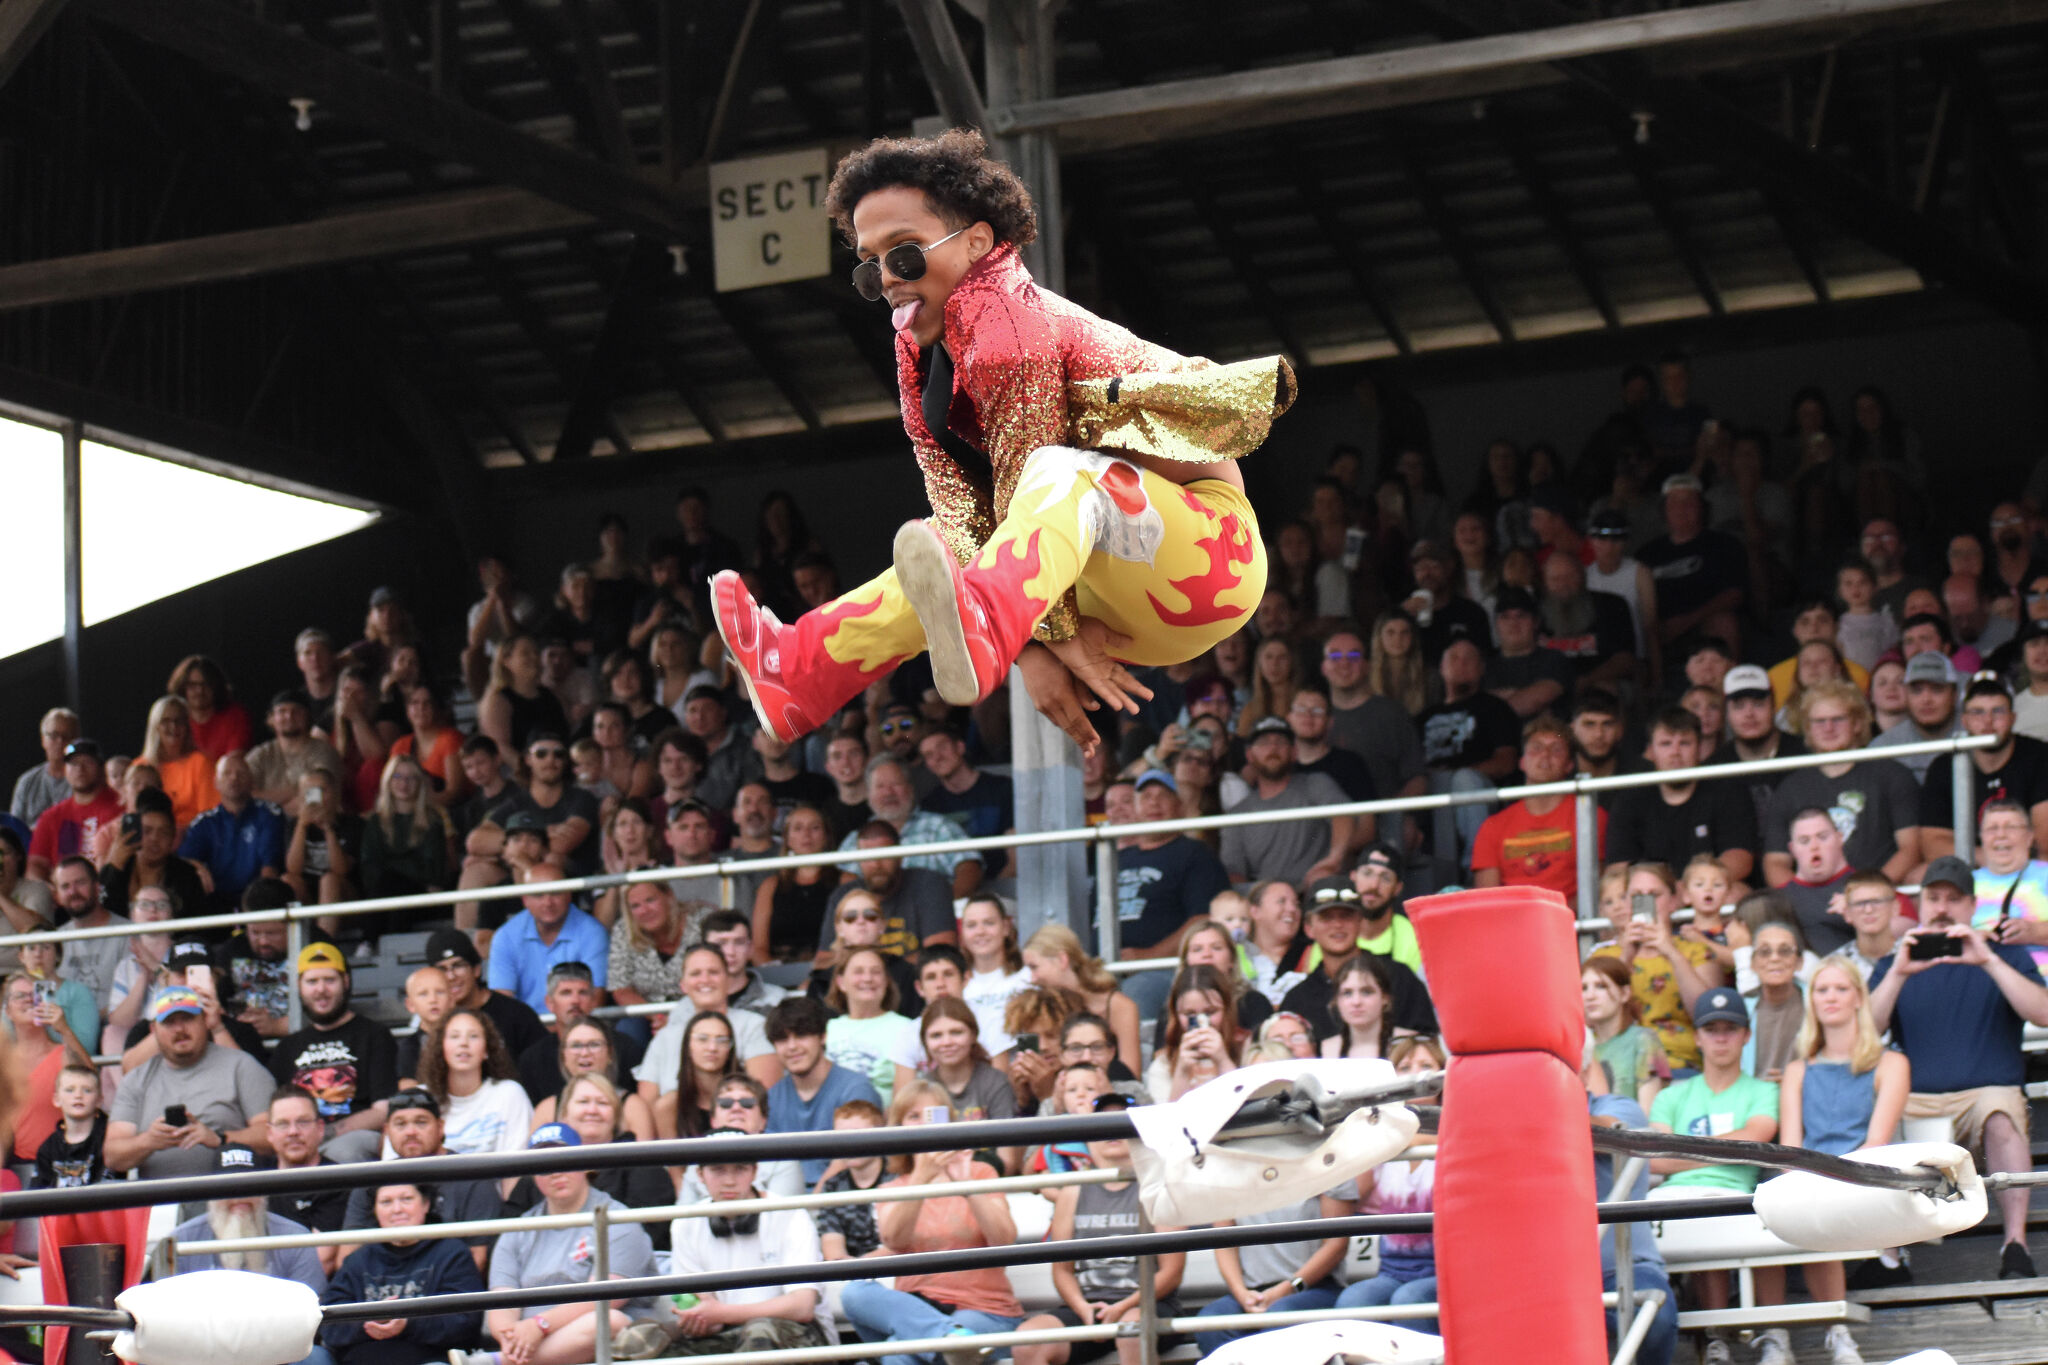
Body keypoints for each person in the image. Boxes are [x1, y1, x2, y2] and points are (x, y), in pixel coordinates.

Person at [714, 133, 1288, 760]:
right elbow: (962, 508)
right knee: (939, 546)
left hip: (1211, 566)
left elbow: (1027, 480)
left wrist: (1032, 640)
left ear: (978, 242)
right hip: (1104, 590)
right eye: (869, 266)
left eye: (904, 255)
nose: (888, 279)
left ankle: (987, 619)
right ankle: (798, 671)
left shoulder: (1009, 325)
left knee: (1057, 472)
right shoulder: (917, 347)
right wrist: (1036, 648)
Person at [1871, 855, 2048, 1279]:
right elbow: (1865, 1033)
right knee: (1878, 1118)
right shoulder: (1895, 964)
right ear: (1921, 904)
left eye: (1954, 899)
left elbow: (2043, 1014)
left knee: (2001, 1112)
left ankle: (2015, 1246)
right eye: (1933, 898)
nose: (1943, 908)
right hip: (1914, 1104)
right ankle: (1889, 1259)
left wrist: (1987, 959)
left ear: (1971, 907)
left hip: (1983, 1100)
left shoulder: (2004, 956)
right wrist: (1897, 972)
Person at [1777, 958, 1910, 1364]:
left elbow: (1877, 1142)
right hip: (1808, 1174)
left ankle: (1837, 1334)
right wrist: (1803, 1178)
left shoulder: (1891, 1063)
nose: (1830, 998)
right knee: (1779, 1197)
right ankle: (1775, 1334)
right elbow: (1789, 1149)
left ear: (1858, 998)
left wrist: (1822, 1177)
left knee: (1819, 1200)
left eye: (1839, 989)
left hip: (1862, 1175)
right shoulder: (1798, 1070)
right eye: (1821, 990)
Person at [839, 1083, 1025, 1364]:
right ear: (900, 1128)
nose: (924, 1123)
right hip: (921, 1309)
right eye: (913, 1116)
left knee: (898, 1357)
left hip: (983, 1311)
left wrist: (965, 1185)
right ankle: (948, 1339)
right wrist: (920, 1178)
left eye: (932, 1114)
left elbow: (1004, 1240)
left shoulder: (980, 1172)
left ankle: (947, 1342)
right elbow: (895, 1239)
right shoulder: (894, 1187)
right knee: (855, 1293)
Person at [468, 1124, 665, 1365]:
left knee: (607, 1320)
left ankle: (500, 1363)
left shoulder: (618, 1220)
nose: (555, 1173)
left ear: (583, 1162)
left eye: (564, 1160)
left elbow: (605, 1298)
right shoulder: (517, 1230)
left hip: (595, 1346)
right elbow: (501, 1302)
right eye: (543, 1166)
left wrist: (539, 1326)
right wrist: (514, 1337)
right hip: (531, 1343)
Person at [1012, 1100, 1188, 1365]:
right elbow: (1062, 1270)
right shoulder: (1073, 1190)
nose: (1113, 1133)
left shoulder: (1157, 1186)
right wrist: (1083, 1308)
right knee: (1028, 1342)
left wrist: (1122, 1307)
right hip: (1086, 1307)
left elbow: (1171, 1271)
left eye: (1121, 1123)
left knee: (1132, 1332)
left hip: (1146, 1305)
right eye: (1104, 1123)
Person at [1648, 986, 1780, 1326]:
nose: (1721, 1039)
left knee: (1726, 1212)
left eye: (1730, 1029)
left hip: (1736, 1197)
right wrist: (1727, 1150)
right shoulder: (1671, 1096)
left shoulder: (1765, 1090)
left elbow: (1755, 1139)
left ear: (1746, 1035)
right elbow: (1655, 1159)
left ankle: (1745, 1333)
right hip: (1674, 1198)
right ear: (1697, 1037)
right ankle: (1714, 1334)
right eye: (1711, 1029)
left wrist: (1686, 1150)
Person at [659, 1133, 832, 1357]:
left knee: (759, 1332)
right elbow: (705, 1308)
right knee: (645, 1337)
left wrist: (720, 1314)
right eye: (718, 1170)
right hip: (728, 1336)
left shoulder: (790, 1213)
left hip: (797, 1337)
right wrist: (699, 1320)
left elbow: (802, 1306)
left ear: (754, 1171)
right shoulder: (685, 1224)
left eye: (739, 1169)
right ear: (700, 1175)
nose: (729, 1181)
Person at [105, 984, 276, 1178]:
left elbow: (274, 1136)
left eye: (187, 1018)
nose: (179, 1029)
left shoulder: (241, 1065)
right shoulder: (136, 1080)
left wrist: (220, 1138)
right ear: (153, 1030)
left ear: (204, 1020)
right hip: (159, 1201)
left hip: (228, 1195)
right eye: (169, 1022)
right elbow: (112, 1156)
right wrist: (149, 1141)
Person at [1761, 681, 1921, 887]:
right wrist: (1804, 899)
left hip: (1879, 897)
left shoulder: (1892, 775)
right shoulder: (1790, 788)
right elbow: (1775, 862)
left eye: (1838, 719)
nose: (1828, 728)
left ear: (1856, 723)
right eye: (1819, 721)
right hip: (1811, 906)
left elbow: (1910, 849)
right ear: (1807, 728)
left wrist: (1868, 892)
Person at [318, 1181, 486, 1365]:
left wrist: (408, 1324)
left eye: (406, 1199)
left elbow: (465, 1323)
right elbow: (329, 1325)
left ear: (426, 1204)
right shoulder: (358, 1260)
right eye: (386, 1202)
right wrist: (371, 1321)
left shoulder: (452, 1254)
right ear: (375, 1210)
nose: (396, 1209)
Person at [1112, 770, 1230, 1022]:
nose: (1154, 803)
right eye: (1146, 797)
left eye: (1163, 796)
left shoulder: (1194, 854)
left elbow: (1202, 919)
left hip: (1161, 969)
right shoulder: (1115, 858)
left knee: (1135, 994)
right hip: (1104, 969)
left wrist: (1148, 957)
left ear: (1179, 806)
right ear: (1135, 808)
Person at [339, 1090, 502, 1272]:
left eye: (421, 1122)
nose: (410, 1132)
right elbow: (347, 1259)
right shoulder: (372, 1180)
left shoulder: (472, 1177)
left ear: (440, 1127)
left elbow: (477, 1260)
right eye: (400, 1124)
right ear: (386, 1131)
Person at [270, 942, 399, 1162]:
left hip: (353, 1140)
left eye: (329, 980)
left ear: (346, 982)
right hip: (300, 1139)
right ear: (299, 987)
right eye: (312, 981)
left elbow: (382, 1111)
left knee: (346, 1150)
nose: (321, 989)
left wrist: (324, 1134)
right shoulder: (287, 1047)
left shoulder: (374, 1035)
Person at [1591, 863, 1723, 1071]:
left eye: (1654, 895)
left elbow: (1707, 1014)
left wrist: (1671, 952)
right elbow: (1592, 1016)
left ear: (1673, 901)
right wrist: (1626, 956)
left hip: (1679, 1065)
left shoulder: (1696, 951)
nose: (1646, 903)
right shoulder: (1604, 957)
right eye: (1636, 896)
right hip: (1619, 1066)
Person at [1604, 707, 1757, 883]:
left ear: (1700, 749)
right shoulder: (1629, 799)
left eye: (1684, 743)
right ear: (1651, 752)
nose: (1675, 752)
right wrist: (1662, 893)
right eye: (1666, 744)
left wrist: (1689, 888)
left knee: (1736, 893)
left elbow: (1739, 859)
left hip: (1709, 893)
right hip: (1650, 898)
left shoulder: (1728, 790)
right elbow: (1617, 869)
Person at [1282, 878, 1434, 1045]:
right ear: (1309, 929)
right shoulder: (1297, 1000)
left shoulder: (1398, 978)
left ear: (1361, 922)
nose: (1338, 924)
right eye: (1327, 918)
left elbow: (1427, 1044)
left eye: (1346, 916)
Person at [1471, 714, 1606, 900]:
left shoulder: (1591, 816)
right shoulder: (1493, 826)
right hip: (1513, 924)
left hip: (1569, 922)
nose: (1545, 755)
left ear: (1569, 765)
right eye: (1536, 748)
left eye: (1556, 749)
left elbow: (1599, 887)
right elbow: (1487, 899)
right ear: (1522, 762)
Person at [1922, 678, 2048, 863]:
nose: (1988, 721)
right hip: (1973, 865)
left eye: (1998, 711)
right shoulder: (1942, 767)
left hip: (2028, 863)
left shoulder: (2039, 755)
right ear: (1964, 720)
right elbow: (1933, 846)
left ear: (2013, 717)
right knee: (1918, 876)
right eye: (1977, 712)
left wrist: (2006, 861)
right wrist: (1994, 859)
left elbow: (2044, 838)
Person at [1220, 717, 1356, 886]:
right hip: (1267, 904)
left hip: (1318, 894)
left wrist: (1333, 860)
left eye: (1281, 742)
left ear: (1294, 752)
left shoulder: (1315, 783)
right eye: (1263, 742)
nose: (1273, 748)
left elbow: (1343, 815)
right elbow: (1234, 874)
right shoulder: (1238, 814)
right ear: (1249, 755)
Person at [762, 995, 884, 1183]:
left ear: (823, 1036)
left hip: (841, 1201)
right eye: (782, 1039)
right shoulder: (772, 1097)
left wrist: (812, 1206)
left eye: (801, 1035)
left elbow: (850, 1160)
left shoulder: (855, 1089)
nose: (792, 1046)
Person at [634, 945, 780, 1099]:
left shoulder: (754, 1026)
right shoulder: (665, 1037)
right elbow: (647, 1104)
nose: (705, 980)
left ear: (728, 980)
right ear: (683, 985)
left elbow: (765, 1095)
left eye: (713, 972)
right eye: (695, 973)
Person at [1636, 472, 1748, 665]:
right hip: (1659, 632)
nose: (1682, 509)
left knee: (1725, 621)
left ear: (1702, 508)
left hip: (1703, 626)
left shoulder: (1724, 544)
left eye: (1689, 502)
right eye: (1675, 503)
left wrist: (1686, 621)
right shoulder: (1647, 554)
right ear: (1664, 510)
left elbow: (1734, 594)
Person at [821, 819, 958, 960]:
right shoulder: (844, 895)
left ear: (899, 857)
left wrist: (876, 972)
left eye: (884, 855)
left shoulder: (928, 884)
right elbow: (823, 962)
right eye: (867, 857)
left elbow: (940, 955)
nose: (876, 864)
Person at [487, 862, 611, 1013]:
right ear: (525, 900)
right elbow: (502, 1005)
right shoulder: (505, 936)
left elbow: (594, 1000)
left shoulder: (593, 933)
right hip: (524, 1033)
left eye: (555, 893)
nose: (548, 903)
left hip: (576, 1029)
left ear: (569, 895)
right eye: (538, 895)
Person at [1023, 925, 1141, 1078]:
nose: (1033, 979)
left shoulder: (1120, 1006)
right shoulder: (1048, 1007)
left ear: (1062, 960)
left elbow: (1132, 1075)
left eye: (1034, 967)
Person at [179, 753, 288, 914]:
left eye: (240, 773)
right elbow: (185, 859)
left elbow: (269, 868)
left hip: (257, 896)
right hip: (216, 898)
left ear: (251, 781)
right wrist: (198, 867)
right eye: (227, 773)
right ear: (216, 782)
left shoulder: (268, 814)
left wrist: (259, 906)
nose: (234, 778)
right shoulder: (205, 822)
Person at [420, 1007, 534, 1157]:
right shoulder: (421, 1098)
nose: (464, 1043)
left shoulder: (509, 1094)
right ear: (441, 1047)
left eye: (473, 1036)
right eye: (454, 1036)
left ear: (487, 1049)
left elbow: (518, 1165)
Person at [425, 928, 549, 1063]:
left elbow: (542, 1066)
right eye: (442, 969)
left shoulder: (516, 1015)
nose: (451, 976)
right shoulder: (431, 1017)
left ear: (476, 969)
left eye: (458, 965)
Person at [265, 1086, 350, 1273]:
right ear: (269, 1133)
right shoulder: (256, 1181)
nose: (293, 1132)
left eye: (303, 1122)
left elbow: (321, 1260)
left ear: (320, 1128)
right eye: (282, 1124)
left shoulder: (338, 1180)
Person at [528, 1018, 656, 1140]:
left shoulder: (632, 1107)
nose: (584, 1053)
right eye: (576, 1046)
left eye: (594, 1044)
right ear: (563, 1055)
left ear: (610, 1053)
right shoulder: (547, 1109)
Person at [825, 946, 918, 1107]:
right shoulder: (827, 1029)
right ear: (841, 982)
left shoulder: (906, 1028)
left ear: (886, 981)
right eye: (858, 972)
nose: (867, 978)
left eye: (875, 972)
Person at [752, 804, 837, 963]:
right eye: (798, 828)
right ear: (787, 839)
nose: (806, 834)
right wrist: (777, 977)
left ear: (826, 835)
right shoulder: (769, 887)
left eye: (815, 828)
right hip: (779, 976)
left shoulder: (846, 881)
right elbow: (758, 948)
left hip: (829, 974)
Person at [27, 738, 123, 880]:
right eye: (73, 763)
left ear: (101, 768)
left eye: (87, 762)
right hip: (63, 894)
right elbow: (35, 864)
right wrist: (48, 889)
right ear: (65, 770)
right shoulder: (51, 816)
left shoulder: (121, 806)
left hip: (109, 889)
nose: (80, 769)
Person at [1582, 955, 1667, 1113]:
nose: (1590, 996)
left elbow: (1649, 1112)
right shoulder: (1583, 1046)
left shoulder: (1644, 1039)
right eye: (1584, 988)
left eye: (1601, 986)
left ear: (1625, 993)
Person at [1145, 966, 1241, 1102]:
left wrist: (1223, 1061)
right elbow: (1170, 1119)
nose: (1201, 1023)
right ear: (1176, 1015)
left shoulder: (1248, 1052)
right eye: (1190, 1014)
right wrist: (1182, 1071)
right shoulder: (1162, 1066)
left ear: (1227, 1010)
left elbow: (1248, 1110)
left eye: (1210, 1012)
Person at [607, 881, 695, 1030]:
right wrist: (658, 1017)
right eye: (635, 906)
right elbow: (621, 990)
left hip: (696, 1011)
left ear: (668, 896)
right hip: (650, 1018)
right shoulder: (623, 931)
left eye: (650, 900)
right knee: (628, 1028)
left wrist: (678, 1019)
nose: (644, 910)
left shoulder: (698, 921)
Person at [958, 894, 1029, 1053]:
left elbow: (1035, 1033)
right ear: (962, 932)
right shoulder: (957, 984)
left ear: (1005, 927)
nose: (980, 931)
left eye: (989, 923)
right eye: (971, 925)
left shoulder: (1027, 977)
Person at [653, 1010, 740, 1141]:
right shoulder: (668, 1105)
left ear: (730, 1048)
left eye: (721, 1040)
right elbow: (672, 1159)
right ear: (688, 1046)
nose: (712, 1048)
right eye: (702, 1039)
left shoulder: (746, 1098)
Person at [12, 707, 78, 829]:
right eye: (54, 735)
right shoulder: (27, 781)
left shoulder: (83, 779)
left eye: (66, 736)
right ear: (43, 739)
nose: (60, 741)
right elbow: (14, 831)